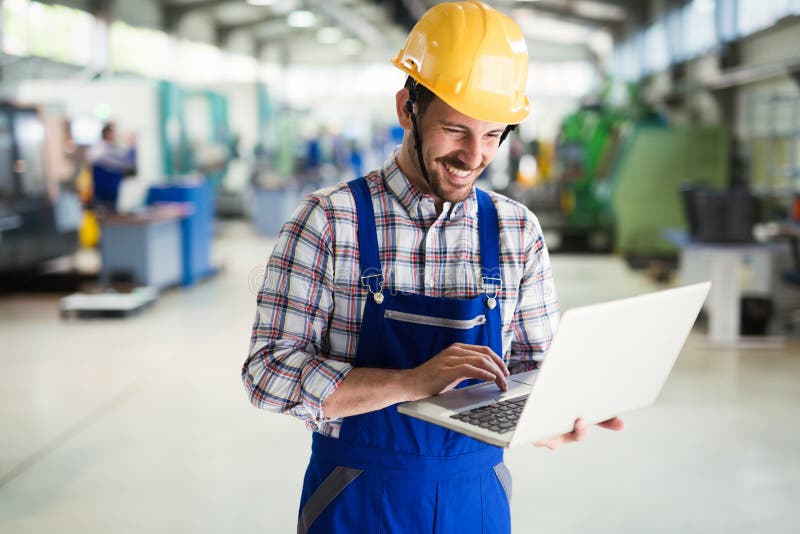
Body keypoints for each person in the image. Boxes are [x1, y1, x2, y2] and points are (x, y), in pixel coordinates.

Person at [242, 2, 623, 532]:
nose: (475, 155)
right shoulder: (329, 220)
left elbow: (534, 370)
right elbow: (268, 372)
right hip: (356, 494)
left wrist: (554, 418)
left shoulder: (517, 231)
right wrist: (411, 382)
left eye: (494, 134)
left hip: (477, 498)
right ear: (407, 108)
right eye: (456, 130)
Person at [86, 122, 136, 209]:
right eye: (114, 132)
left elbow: (127, 163)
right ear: (107, 134)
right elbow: (127, 163)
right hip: (104, 189)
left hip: (111, 188)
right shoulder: (101, 150)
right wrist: (131, 146)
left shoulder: (111, 149)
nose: (116, 135)